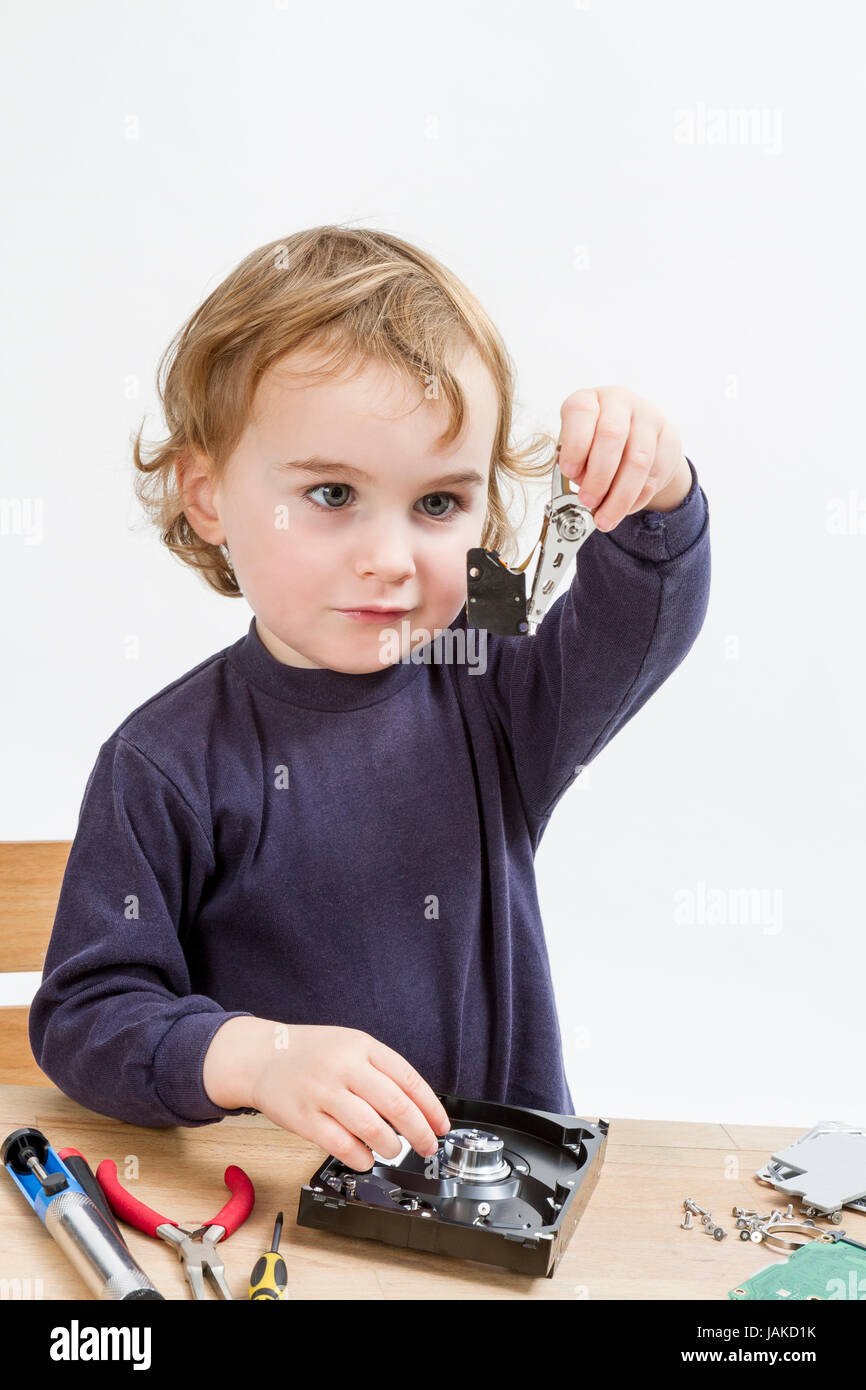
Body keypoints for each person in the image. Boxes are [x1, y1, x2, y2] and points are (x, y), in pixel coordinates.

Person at [29, 225, 710, 1171]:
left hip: (506, 1220)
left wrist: (658, 496)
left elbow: (636, 624)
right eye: (333, 493)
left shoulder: (492, 677)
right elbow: (87, 1016)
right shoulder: (162, 760)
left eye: (438, 504)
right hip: (283, 1218)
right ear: (209, 492)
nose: (390, 559)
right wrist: (252, 1055)